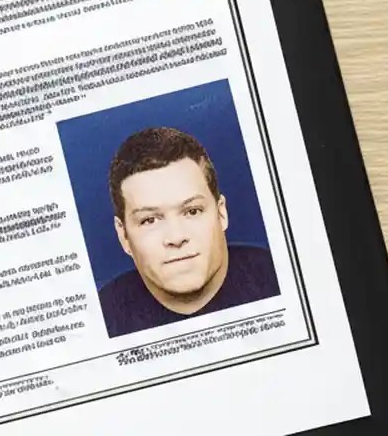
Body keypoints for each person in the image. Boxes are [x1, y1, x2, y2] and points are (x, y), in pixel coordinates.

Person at [98, 127, 279, 337]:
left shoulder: (281, 275)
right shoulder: (100, 320)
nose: (176, 238)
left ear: (221, 213)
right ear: (124, 236)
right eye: (149, 220)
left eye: (192, 211)